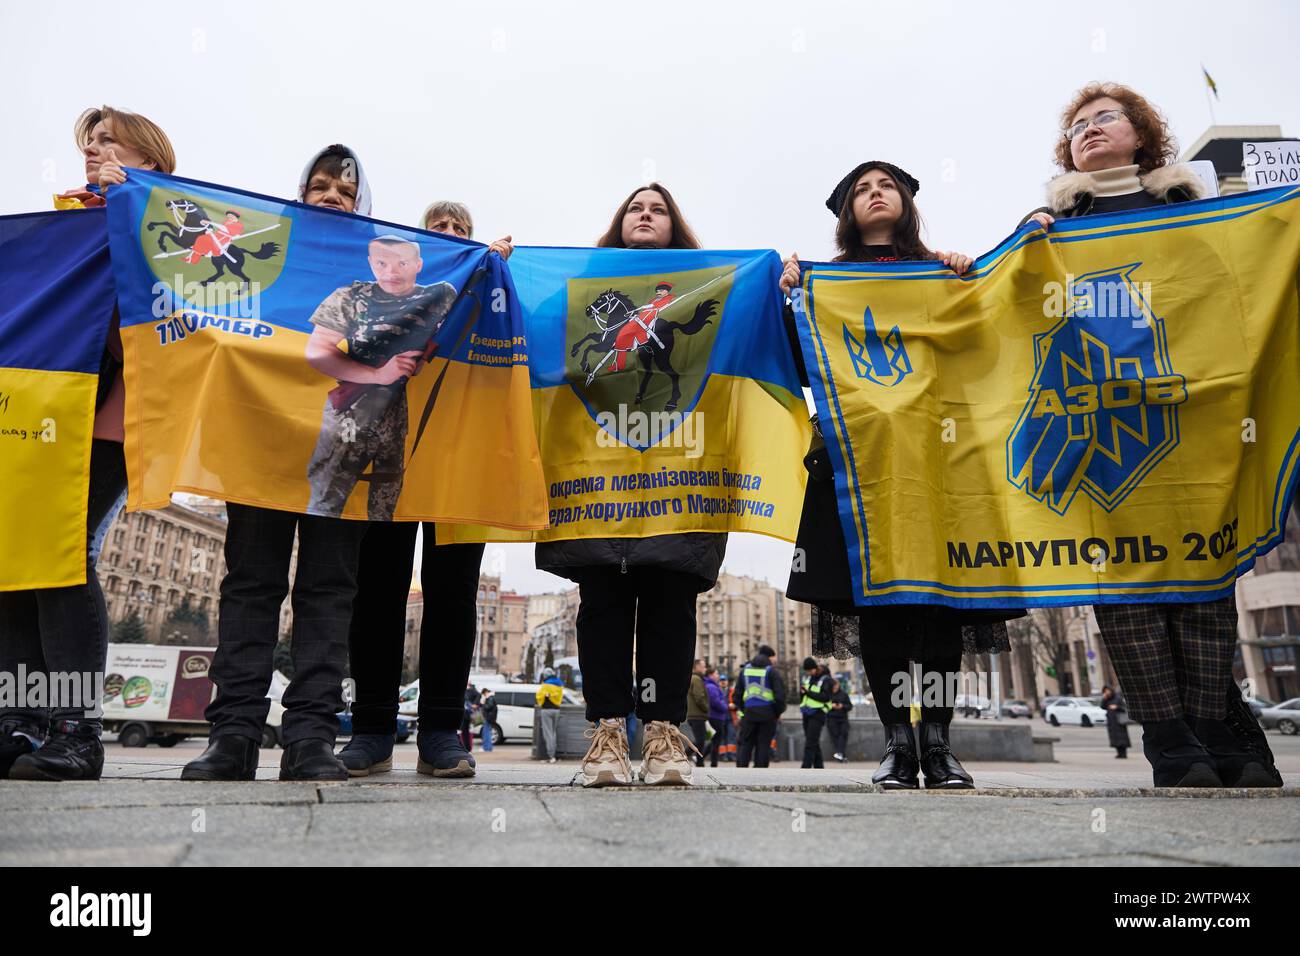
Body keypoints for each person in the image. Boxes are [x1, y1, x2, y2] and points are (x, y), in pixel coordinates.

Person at [1021, 84, 1277, 789]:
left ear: (1141, 134)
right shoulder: (1050, 225)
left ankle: (1214, 725)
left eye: (1105, 118)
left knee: (1203, 577)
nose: (1090, 130)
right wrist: (1015, 246)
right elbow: (1007, 308)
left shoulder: (1193, 213)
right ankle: (1169, 739)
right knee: (1127, 584)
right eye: (1077, 126)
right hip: (1102, 428)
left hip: (1190, 419)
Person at [781, 159, 1018, 791]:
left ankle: (937, 745)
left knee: (940, 604)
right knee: (879, 610)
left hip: (940, 462)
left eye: (886, 185)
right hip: (856, 464)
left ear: (907, 202)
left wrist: (976, 279)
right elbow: (800, 365)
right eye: (862, 188)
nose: (875, 194)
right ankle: (896, 745)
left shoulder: (944, 274)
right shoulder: (821, 286)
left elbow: (991, 346)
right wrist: (790, 300)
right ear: (846, 213)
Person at [181, 145, 375, 783]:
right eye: (317, 186)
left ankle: (310, 741)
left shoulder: (382, 269)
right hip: (261, 443)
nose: (328, 196)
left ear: (360, 205)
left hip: (340, 450)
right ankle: (233, 734)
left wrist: (490, 264)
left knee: (328, 593)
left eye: (343, 192)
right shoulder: (272, 259)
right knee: (250, 587)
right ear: (300, 194)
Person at [1, 107, 176, 781]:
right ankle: (20, 718)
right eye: (88, 143)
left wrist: (127, 203)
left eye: (108, 141)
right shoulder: (61, 222)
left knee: (66, 551)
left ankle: (77, 730)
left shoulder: (169, 219)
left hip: (113, 417)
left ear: (150, 159)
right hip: (43, 414)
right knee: (17, 557)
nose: (92, 151)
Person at [535, 184, 721, 788]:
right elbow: (533, 327)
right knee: (603, 610)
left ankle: (666, 735)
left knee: (670, 604)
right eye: (636, 207)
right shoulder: (578, 292)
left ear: (675, 226)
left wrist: (786, 280)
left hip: (677, 480)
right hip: (599, 487)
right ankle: (608, 736)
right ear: (619, 225)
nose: (646, 214)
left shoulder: (708, 283)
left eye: (658, 208)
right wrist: (497, 266)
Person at [338, 200, 514, 779]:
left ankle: (441, 730)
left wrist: (498, 273)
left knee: (454, 593)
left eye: (460, 230)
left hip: (459, 455)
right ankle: (370, 729)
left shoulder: (489, 289)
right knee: (379, 589)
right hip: (391, 452)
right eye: (437, 232)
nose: (450, 237)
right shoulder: (383, 294)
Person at [734, 645, 785, 768]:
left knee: (745, 744)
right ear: (769, 657)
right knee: (763, 745)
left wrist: (744, 709)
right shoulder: (771, 671)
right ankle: (759, 773)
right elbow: (779, 696)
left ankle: (740, 772)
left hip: (749, 713)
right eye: (773, 657)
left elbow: (737, 695)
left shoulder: (744, 671)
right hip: (767, 714)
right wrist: (776, 713)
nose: (775, 660)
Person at [799, 657, 834, 769]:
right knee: (813, 741)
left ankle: (805, 767)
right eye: (807, 671)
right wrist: (803, 692)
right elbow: (804, 696)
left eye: (810, 670)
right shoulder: (809, 679)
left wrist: (808, 693)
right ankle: (819, 767)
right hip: (807, 713)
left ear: (815, 668)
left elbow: (825, 697)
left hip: (818, 714)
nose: (809, 673)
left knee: (810, 742)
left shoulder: (826, 679)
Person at [535, 668, 564, 763]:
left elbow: (539, 696)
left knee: (548, 734)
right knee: (553, 733)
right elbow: (559, 697)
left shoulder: (546, 685)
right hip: (557, 710)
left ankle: (551, 756)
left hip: (546, 710)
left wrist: (546, 696)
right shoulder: (559, 684)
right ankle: (553, 755)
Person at [686, 659, 710, 767]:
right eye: (704, 666)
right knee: (700, 739)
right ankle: (685, 754)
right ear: (697, 667)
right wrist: (706, 708)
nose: (705, 669)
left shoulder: (694, 678)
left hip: (695, 714)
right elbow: (699, 697)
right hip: (697, 715)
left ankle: (700, 762)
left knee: (701, 739)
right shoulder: (696, 679)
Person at [704, 666, 729, 767]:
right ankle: (713, 763)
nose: (717, 675)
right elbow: (715, 702)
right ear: (711, 675)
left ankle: (701, 757)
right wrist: (725, 707)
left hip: (715, 717)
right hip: (716, 717)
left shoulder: (712, 686)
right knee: (716, 740)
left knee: (714, 740)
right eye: (716, 673)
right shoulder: (711, 687)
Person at [827, 678, 854, 763]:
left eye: (836, 686)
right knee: (835, 736)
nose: (835, 688)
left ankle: (840, 754)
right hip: (831, 718)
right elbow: (823, 706)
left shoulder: (844, 694)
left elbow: (849, 706)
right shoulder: (827, 694)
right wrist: (831, 706)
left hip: (842, 718)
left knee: (843, 734)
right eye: (833, 686)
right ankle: (841, 755)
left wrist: (842, 706)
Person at [1101, 685, 1130, 759]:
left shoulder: (1118, 698)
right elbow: (1102, 707)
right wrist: (1104, 699)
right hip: (1111, 721)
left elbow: (1124, 708)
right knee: (1114, 738)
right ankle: (1119, 753)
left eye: (1108, 690)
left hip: (1119, 721)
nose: (1107, 692)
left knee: (1122, 738)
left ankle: (1123, 753)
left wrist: (1116, 707)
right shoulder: (1107, 699)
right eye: (1105, 691)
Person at [479, 687, 497, 752]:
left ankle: (486, 748)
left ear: (485, 692)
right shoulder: (491, 697)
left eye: (483, 694)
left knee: (486, 733)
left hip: (488, 717)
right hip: (490, 718)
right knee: (487, 732)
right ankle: (488, 747)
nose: (483, 696)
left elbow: (489, 706)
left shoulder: (490, 698)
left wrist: (483, 704)